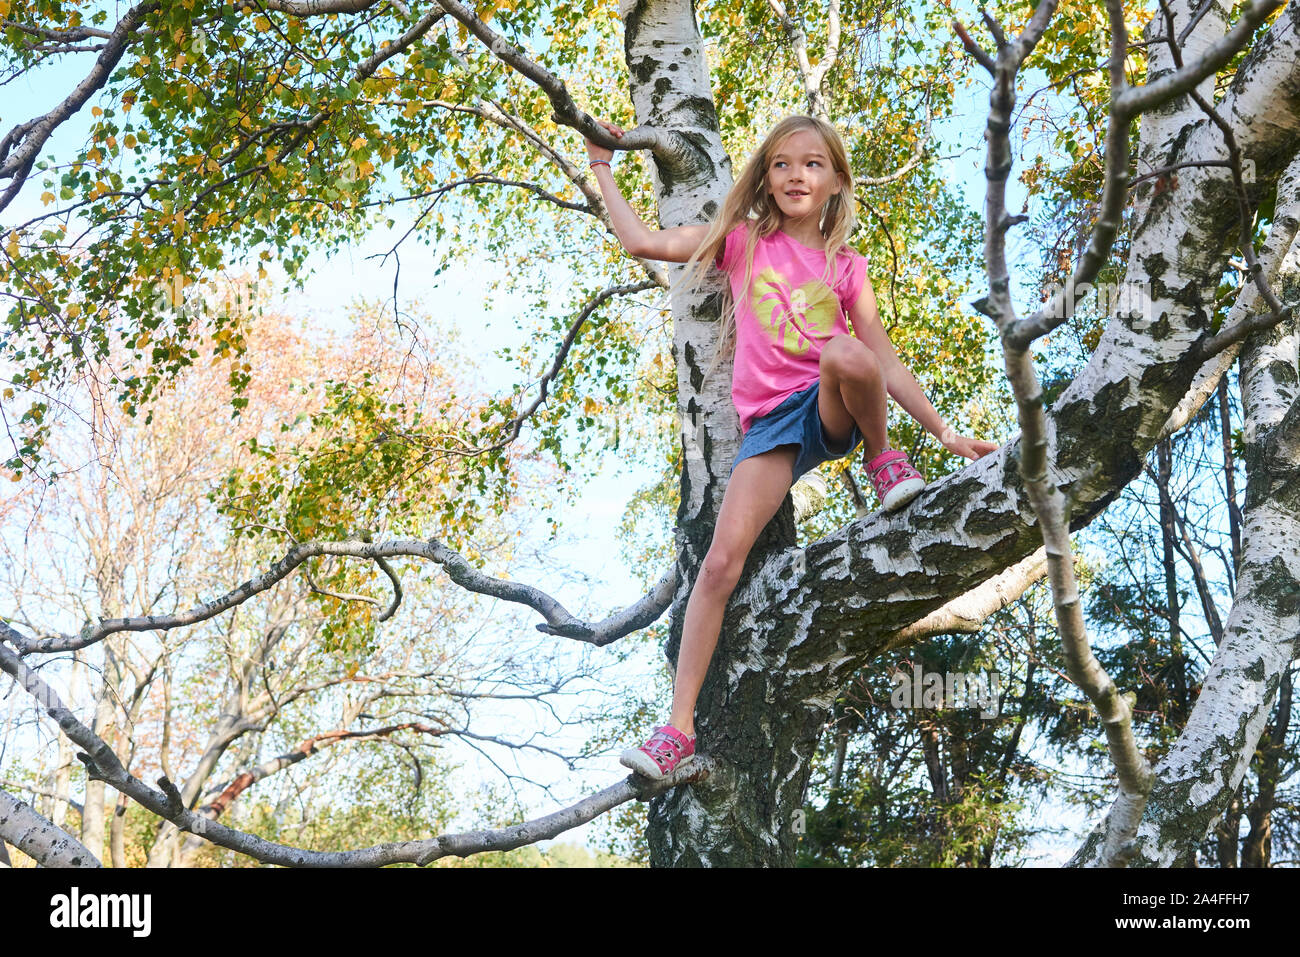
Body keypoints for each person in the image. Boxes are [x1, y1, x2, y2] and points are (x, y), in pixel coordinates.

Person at [583, 114, 999, 779]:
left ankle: (880, 458)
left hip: (833, 402)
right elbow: (640, 241)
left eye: (812, 164)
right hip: (772, 425)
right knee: (719, 564)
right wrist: (602, 164)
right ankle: (677, 727)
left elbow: (884, 362)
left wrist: (943, 433)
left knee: (849, 352)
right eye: (781, 164)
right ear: (766, 178)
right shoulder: (743, 242)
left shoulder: (846, 267)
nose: (796, 175)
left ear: (835, 180)